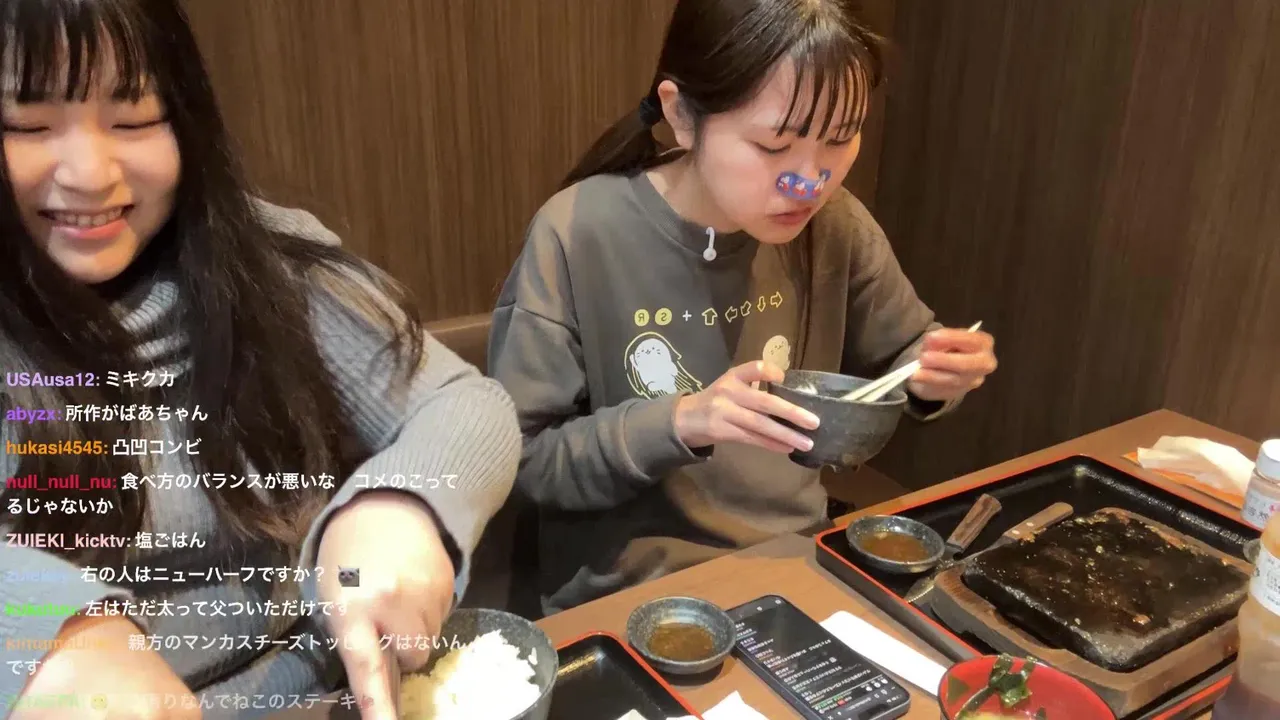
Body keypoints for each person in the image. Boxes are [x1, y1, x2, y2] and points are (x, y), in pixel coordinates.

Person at [0, 1, 519, 718]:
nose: (90, 173)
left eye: (134, 118)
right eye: (27, 124)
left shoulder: (268, 265)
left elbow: (463, 403)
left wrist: (399, 503)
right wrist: (47, 625)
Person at [489, 0, 998, 616]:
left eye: (840, 139)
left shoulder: (835, 225)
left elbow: (906, 353)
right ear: (682, 115)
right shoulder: (578, 232)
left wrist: (937, 372)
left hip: (800, 566)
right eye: (774, 145)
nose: (809, 182)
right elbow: (525, 460)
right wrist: (683, 421)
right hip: (634, 596)